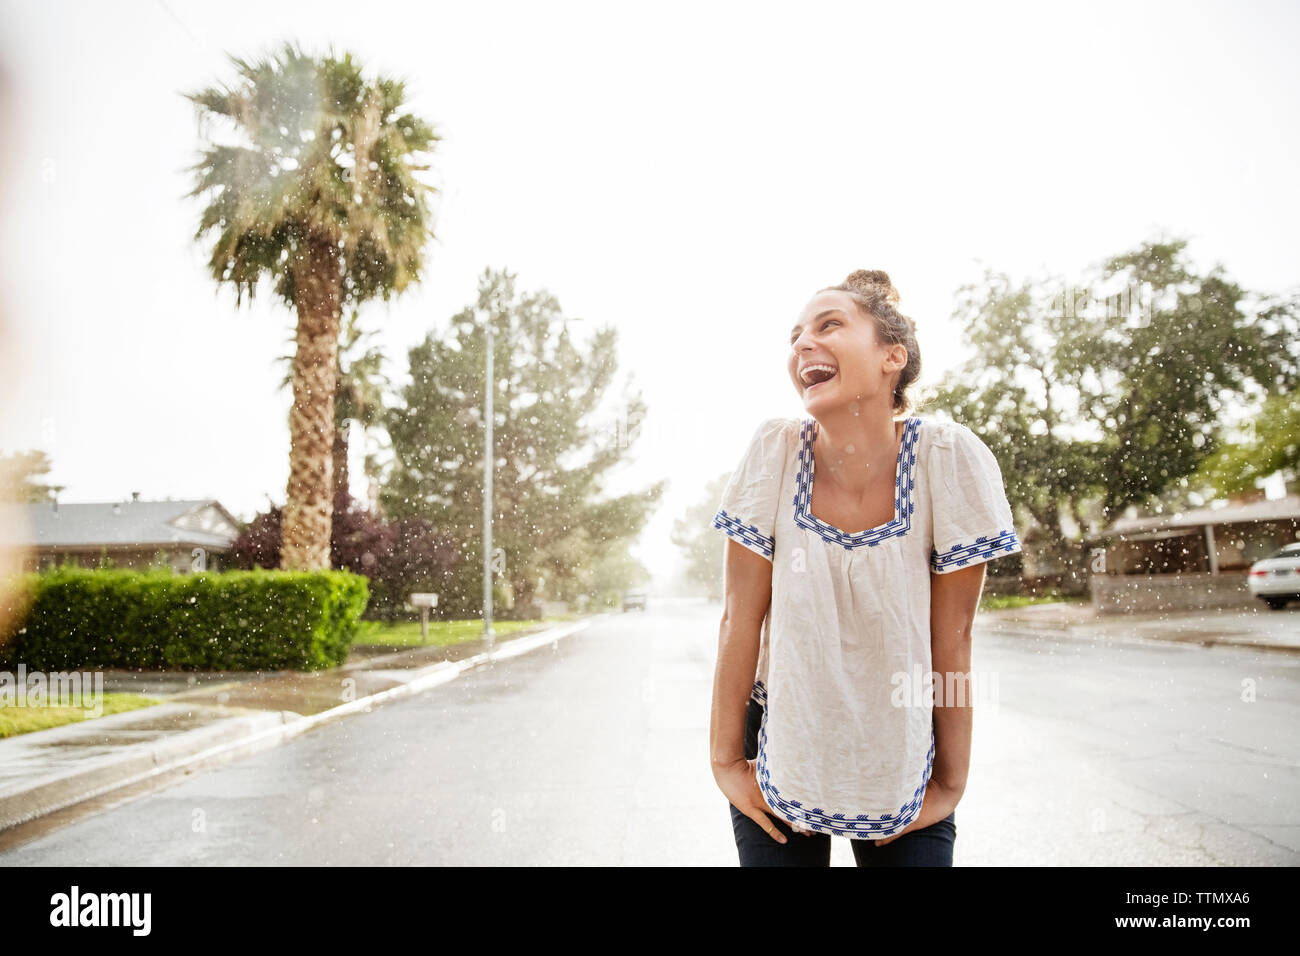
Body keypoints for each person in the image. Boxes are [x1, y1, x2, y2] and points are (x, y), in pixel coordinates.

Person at [708, 269, 1021, 866]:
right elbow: (738, 621)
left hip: (902, 749)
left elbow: (951, 637)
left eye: (829, 325)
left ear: (891, 358)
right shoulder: (774, 451)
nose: (802, 344)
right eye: (795, 334)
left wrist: (950, 784)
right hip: (784, 736)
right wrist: (725, 762)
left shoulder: (945, 458)